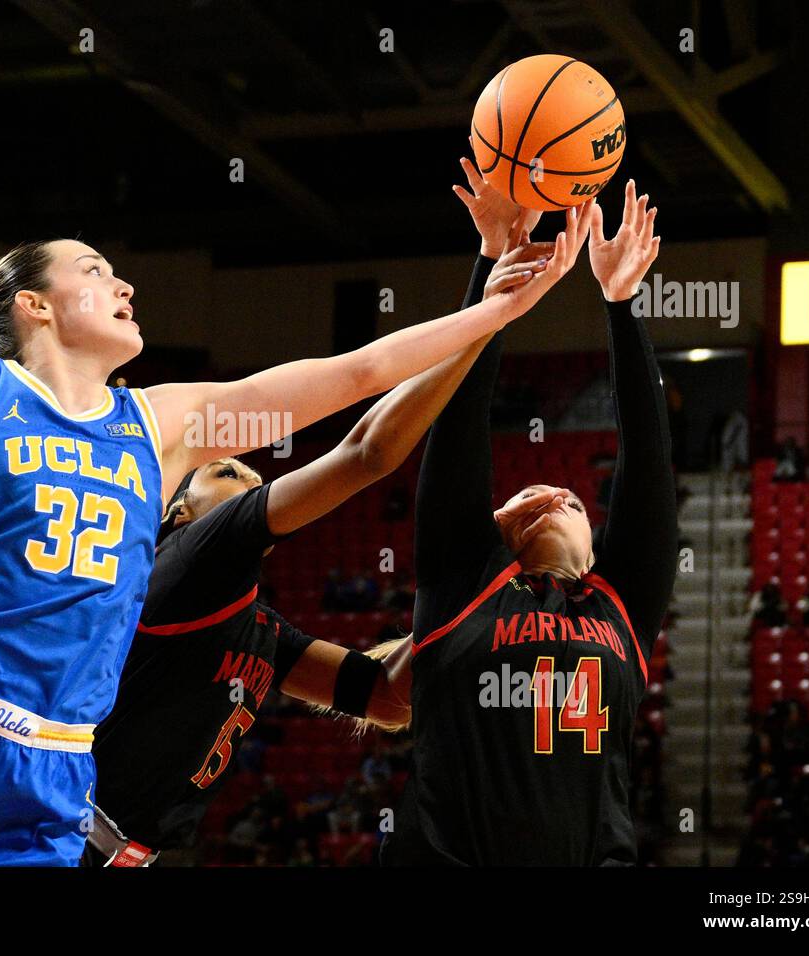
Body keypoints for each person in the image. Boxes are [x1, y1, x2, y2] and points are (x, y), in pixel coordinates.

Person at [0, 160, 582, 867]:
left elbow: (355, 379)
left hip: (52, 772)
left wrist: (496, 306)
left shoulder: (163, 423)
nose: (125, 284)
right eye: (96, 270)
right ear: (34, 307)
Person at [82, 162, 583, 865]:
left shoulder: (251, 623)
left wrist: (485, 576)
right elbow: (368, 452)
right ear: (178, 516)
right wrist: (490, 300)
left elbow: (385, 696)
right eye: (226, 470)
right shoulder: (186, 564)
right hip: (67, 839)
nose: (251, 475)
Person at [381, 180, 677, 866]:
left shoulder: (620, 604)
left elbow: (651, 462)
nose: (548, 493)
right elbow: (457, 428)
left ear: (596, 546)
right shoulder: (465, 582)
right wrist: (492, 283)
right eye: (527, 496)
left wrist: (622, 304)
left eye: (568, 497)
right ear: (495, 535)